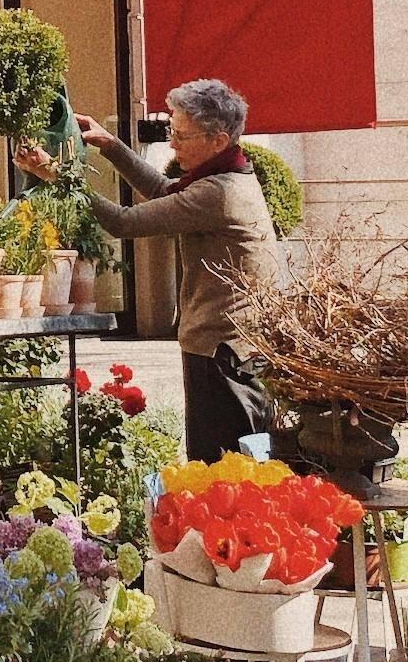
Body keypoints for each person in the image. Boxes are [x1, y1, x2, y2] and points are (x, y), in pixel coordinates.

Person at [19, 79, 280, 462]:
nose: (172, 144)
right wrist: (111, 145)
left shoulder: (218, 194)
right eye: (170, 131)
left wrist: (56, 175)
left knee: (222, 471)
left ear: (218, 141)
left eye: (181, 135)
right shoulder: (228, 176)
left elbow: (123, 222)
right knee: (234, 468)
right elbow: (164, 190)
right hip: (230, 347)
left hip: (221, 352)